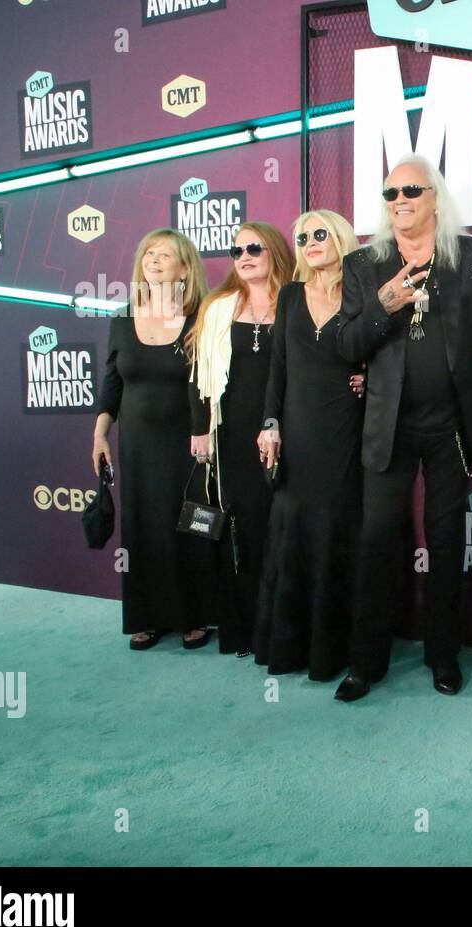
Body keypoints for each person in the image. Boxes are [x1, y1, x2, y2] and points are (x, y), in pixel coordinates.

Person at [330, 155, 472, 702]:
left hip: (452, 425)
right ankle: (366, 661)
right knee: (377, 542)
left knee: (449, 543)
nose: (399, 200)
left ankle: (443, 656)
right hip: (388, 425)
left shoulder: (471, 257)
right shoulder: (364, 265)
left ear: (434, 197)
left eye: (410, 190)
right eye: (390, 193)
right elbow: (345, 344)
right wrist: (384, 303)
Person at [93, 228, 216, 650]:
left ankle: (196, 615)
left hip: (189, 444)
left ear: (185, 267)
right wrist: (100, 435)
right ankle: (147, 616)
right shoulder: (123, 318)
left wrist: (205, 433)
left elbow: (209, 383)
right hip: (138, 447)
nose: (154, 260)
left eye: (165, 255)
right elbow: (112, 384)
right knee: (143, 527)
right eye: (148, 253)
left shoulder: (202, 316)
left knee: (192, 524)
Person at [255, 210, 364, 681]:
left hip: (344, 430)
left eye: (320, 233)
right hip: (296, 432)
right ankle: (290, 646)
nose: (311, 242)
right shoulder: (290, 295)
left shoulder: (362, 296)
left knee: (334, 531)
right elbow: (277, 367)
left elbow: (387, 352)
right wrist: (270, 423)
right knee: (293, 531)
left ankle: (331, 651)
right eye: (303, 236)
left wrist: (370, 377)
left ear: (340, 238)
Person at [187, 223, 295, 656]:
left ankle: (284, 631)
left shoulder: (297, 299)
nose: (244, 256)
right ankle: (247, 629)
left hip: (290, 433)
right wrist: (201, 429)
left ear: (275, 251)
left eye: (255, 247)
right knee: (246, 532)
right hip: (232, 436)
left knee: (283, 530)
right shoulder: (218, 307)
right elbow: (199, 377)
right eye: (237, 250)